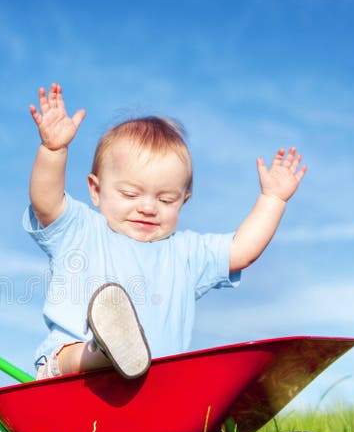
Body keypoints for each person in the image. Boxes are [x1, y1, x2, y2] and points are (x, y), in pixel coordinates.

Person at [25, 82, 306, 380]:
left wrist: (273, 200)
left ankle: (121, 354)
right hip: (70, 375)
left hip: (152, 385)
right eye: (130, 195)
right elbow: (46, 202)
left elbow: (242, 250)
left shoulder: (185, 253)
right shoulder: (82, 231)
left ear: (183, 201)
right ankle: (103, 351)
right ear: (96, 190)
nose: (147, 207)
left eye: (165, 199)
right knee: (73, 352)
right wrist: (53, 150)